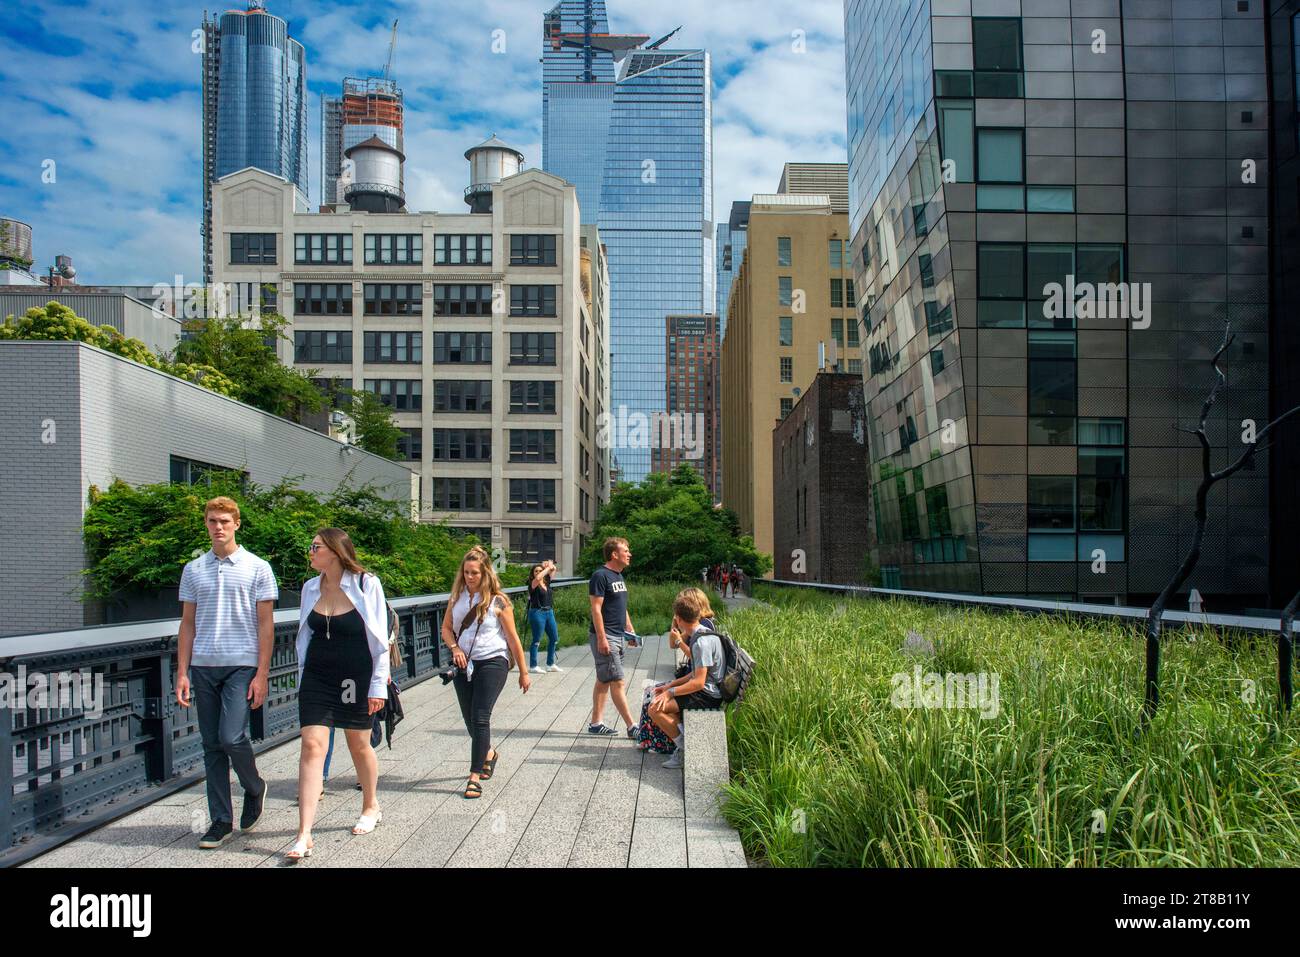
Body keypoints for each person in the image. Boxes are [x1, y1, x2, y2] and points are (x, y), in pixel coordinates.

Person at [284, 528, 393, 861]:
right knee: (312, 744)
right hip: (317, 676)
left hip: (354, 676)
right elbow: (304, 636)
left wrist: (378, 685)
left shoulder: (365, 584)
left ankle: (371, 804)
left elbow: (379, 639)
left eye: (315, 547)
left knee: (357, 744)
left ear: (334, 551)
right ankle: (304, 833)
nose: (310, 552)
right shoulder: (309, 588)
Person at [176, 496, 277, 850]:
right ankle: (220, 820)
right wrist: (182, 672)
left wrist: (262, 673)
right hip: (203, 665)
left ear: (236, 524)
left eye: (224, 521)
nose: (217, 527)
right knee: (211, 746)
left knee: (231, 737)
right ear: (205, 524)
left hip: (241, 663)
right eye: (212, 521)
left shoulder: (258, 567)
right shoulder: (194, 569)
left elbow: (266, 626)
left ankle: (254, 786)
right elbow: (187, 624)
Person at [441, 546, 532, 799]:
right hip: (463, 663)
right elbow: (446, 629)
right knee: (470, 719)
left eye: (475, 573)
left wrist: (524, 672)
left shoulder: (498, 601)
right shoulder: (456, 598)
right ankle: (489, 753)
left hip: (493, 661)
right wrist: (454, 647)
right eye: (466, 572)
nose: (470, 577)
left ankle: (473, 777)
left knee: (481, 717)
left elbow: (513, 639)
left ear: (485, 574)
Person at [649, 589, 725, 769]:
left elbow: (698, 682)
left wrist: (670, 693)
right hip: (707, 689)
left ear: (678, 619)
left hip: (708, 694)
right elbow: (695, 674)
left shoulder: (700, 642)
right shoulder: (703, 632)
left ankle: (685, 749)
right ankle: (684, 746)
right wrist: (670, 686)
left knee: (654, 708)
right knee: (662, 703)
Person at [587, 536, 638, 737]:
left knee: (604, 679)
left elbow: (621, 607)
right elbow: (596, 609)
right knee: (617, 681)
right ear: (614, 554)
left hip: (618, 635)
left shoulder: (619, 577)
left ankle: (595, 723)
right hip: (606, 635)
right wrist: (601, 638)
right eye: (626, 551)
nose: (629, 554)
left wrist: (630, 629)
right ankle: (632, 726)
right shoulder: (600, 576)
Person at [527, 559, 562, 674]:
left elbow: (554, 569)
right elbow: (538, 578)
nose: (538, 573)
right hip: (537, 613)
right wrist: (546, 568)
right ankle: (533, 666)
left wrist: (549, 565)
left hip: (549, 612)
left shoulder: (546, 582)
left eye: (539, 570)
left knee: (554, 638)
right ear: (533, 574)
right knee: (536, 640)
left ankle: (550, 664)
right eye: (536, 571)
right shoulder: (533, 584)